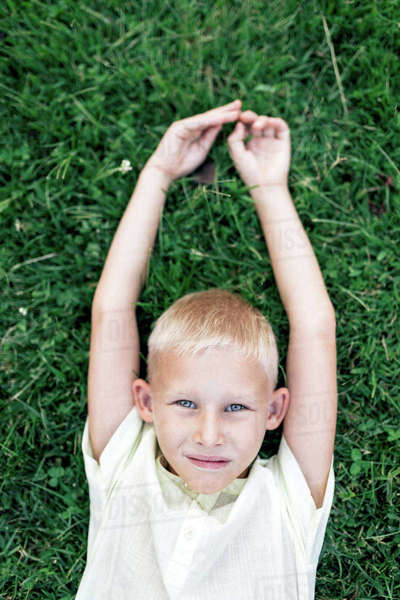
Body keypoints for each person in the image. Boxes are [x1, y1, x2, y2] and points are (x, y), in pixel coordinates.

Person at [75, 99, 337, 599]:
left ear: (275, 409)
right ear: (146, 402)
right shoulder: (124, 464)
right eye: (186, 403)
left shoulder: (286, 499)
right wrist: (157, 172)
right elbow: (111, 311)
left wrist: (270, 188)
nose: (209, 434)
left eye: (236, 407)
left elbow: (315, 327)